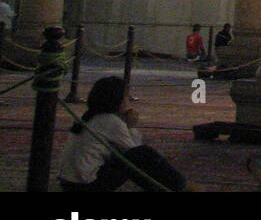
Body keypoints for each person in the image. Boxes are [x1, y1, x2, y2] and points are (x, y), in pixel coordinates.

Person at [57, 76, 193, 192]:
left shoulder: (88, 116)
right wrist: (131, 126)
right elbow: (135, 152)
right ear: (118, 101)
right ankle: (180, 187)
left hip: (68, 183)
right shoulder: (111, 121)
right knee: (144, 154)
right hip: (86, 186)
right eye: (126, 98)